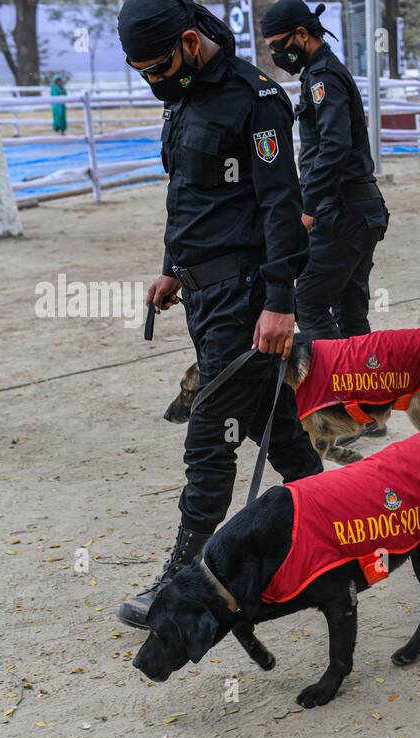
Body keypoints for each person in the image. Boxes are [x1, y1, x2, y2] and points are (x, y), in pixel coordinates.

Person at [116, 0, 323, 629]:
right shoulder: (180, 98)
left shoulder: (254, 98)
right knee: (276, 427)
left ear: (188, 40)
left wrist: (281, 302)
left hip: (247, 297)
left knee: (209, 434)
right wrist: (174, 265)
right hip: (203, 297)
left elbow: (279, 203)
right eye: (140, 72)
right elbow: (192, 196)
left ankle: (182, 578)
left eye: (157, 67)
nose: (152, 81)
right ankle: (345, 518)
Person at [261, 0, 388, 346]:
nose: (275, 54)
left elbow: (334, 146)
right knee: (349, 312)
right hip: (360, 209)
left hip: (342, 212)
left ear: (302, 35)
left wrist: (309, 206)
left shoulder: (323, 78)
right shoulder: (324, 72)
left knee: (308, 302)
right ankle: (365, 395)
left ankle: (335, 393)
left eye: (277, 45)